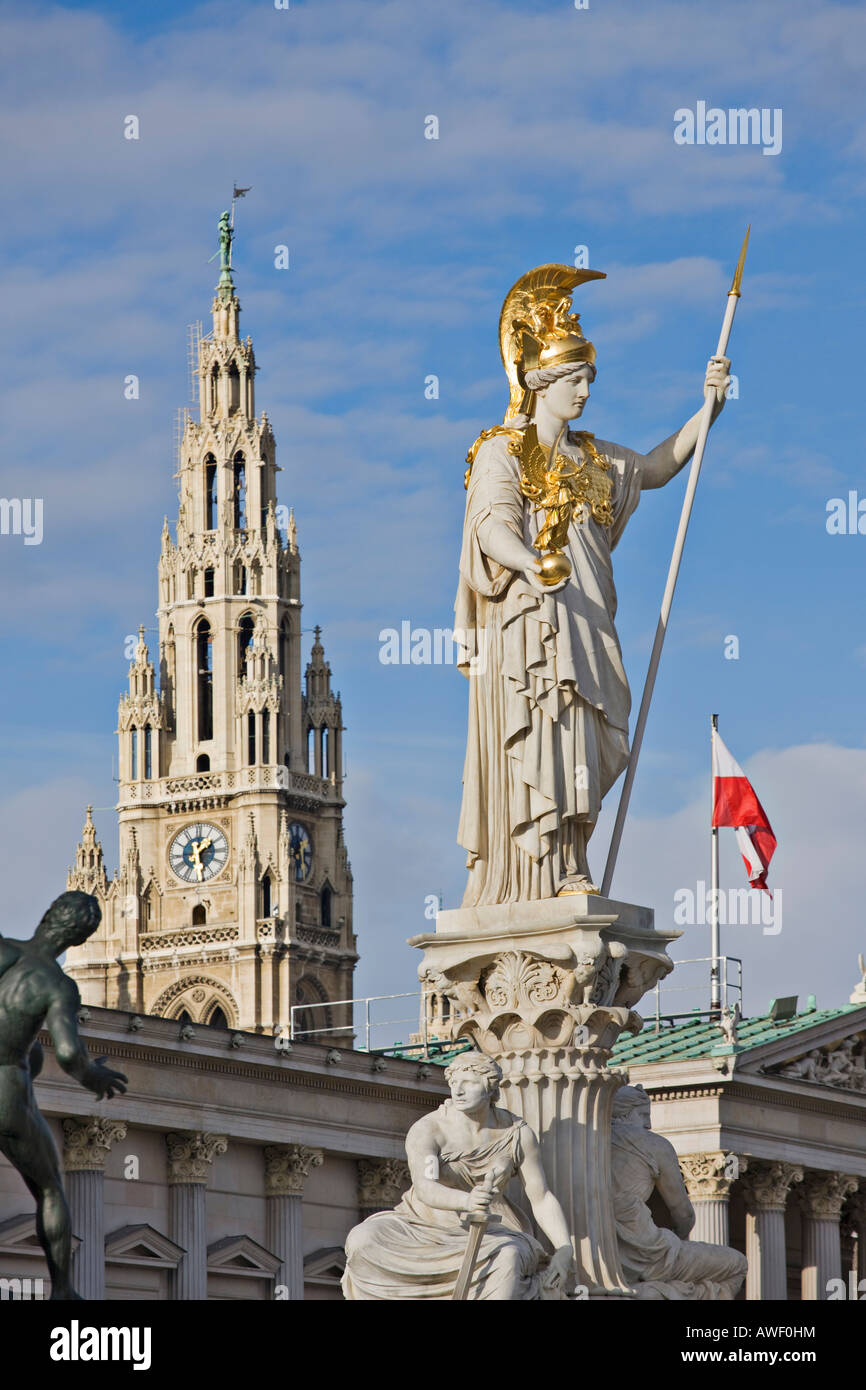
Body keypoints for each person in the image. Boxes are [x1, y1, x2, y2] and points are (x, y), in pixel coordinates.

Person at [456, 264, 731, 904]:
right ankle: (533, 867)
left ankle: (571, 853)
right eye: (573, 380)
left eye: (588, 380)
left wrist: (708, 406)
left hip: (587, 619)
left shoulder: (596, 457)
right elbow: (490, 529)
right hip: (528, 620)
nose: (584, 391)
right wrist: (529, 563)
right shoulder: (502, 451)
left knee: (584, 729)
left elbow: (660, 467)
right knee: (541, 726)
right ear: (540, 382)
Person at [342, 1051, 574, 1300]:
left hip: (493, 1231)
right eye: (454, 1084)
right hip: (421, 1225)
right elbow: (425, 1187)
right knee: (363, 1239)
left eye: (470, 1083)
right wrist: (466, 1201)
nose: (459, 1091)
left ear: (491, 1088)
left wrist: (564, 1248)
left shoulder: (517, 1134)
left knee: (508, 1255)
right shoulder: (429, 1130)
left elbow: (541, 1197)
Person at [0, 891, 127, 1299]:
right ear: (79, 939)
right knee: (50, 1188)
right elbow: (70, 1053)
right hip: (7, 1087)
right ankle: (63, 1290)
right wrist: (94, 1076)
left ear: (48, 914)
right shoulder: (57, 985)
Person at [610, 1085, 746, 1300]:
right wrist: (677, 1238)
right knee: (736, 1265)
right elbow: (683, 1214)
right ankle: (661, 1294)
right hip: (646, 1251)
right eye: (644, 1115)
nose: (649, 1124)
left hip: (600, 1251)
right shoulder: (653, 1143)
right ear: (627, 1112)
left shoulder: (589, 1143)